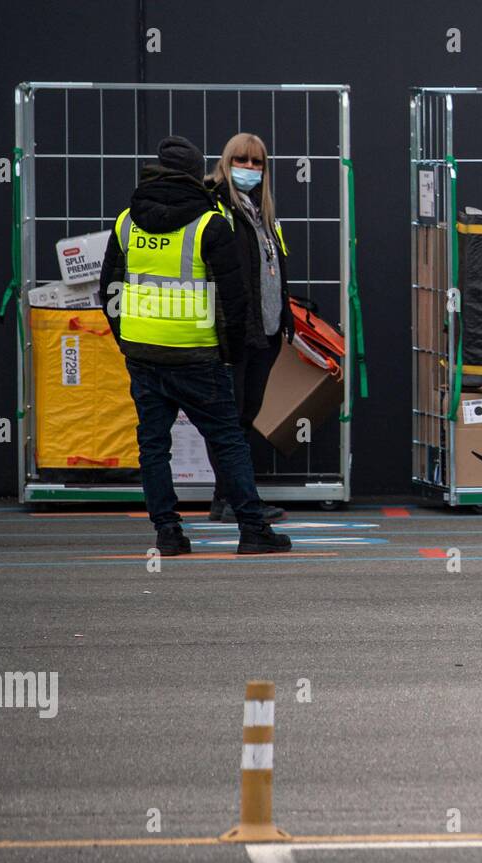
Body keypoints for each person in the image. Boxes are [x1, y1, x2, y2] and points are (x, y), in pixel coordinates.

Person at [99, 135, 292, 556]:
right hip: (198, 354)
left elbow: (109, 290)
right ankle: (252, 529)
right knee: (228, 440)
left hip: (143, 353)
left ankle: (168, 533)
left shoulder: (126, 222)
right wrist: (230, 352)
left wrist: (126, 338)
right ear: (195, 173)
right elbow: (234, 297)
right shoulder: (209, 224)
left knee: (152, 445)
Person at [204, 133, 295, 523]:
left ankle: (228, 498)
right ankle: (235, 501)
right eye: (241, 160)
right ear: (227, 161)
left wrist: (285, 315)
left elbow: (273, 269)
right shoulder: (216, 206)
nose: (250, 168)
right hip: (234, 334)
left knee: (245, 415)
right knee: (230, 418)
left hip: (266, 331)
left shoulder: (263, 212)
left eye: (257, 162)